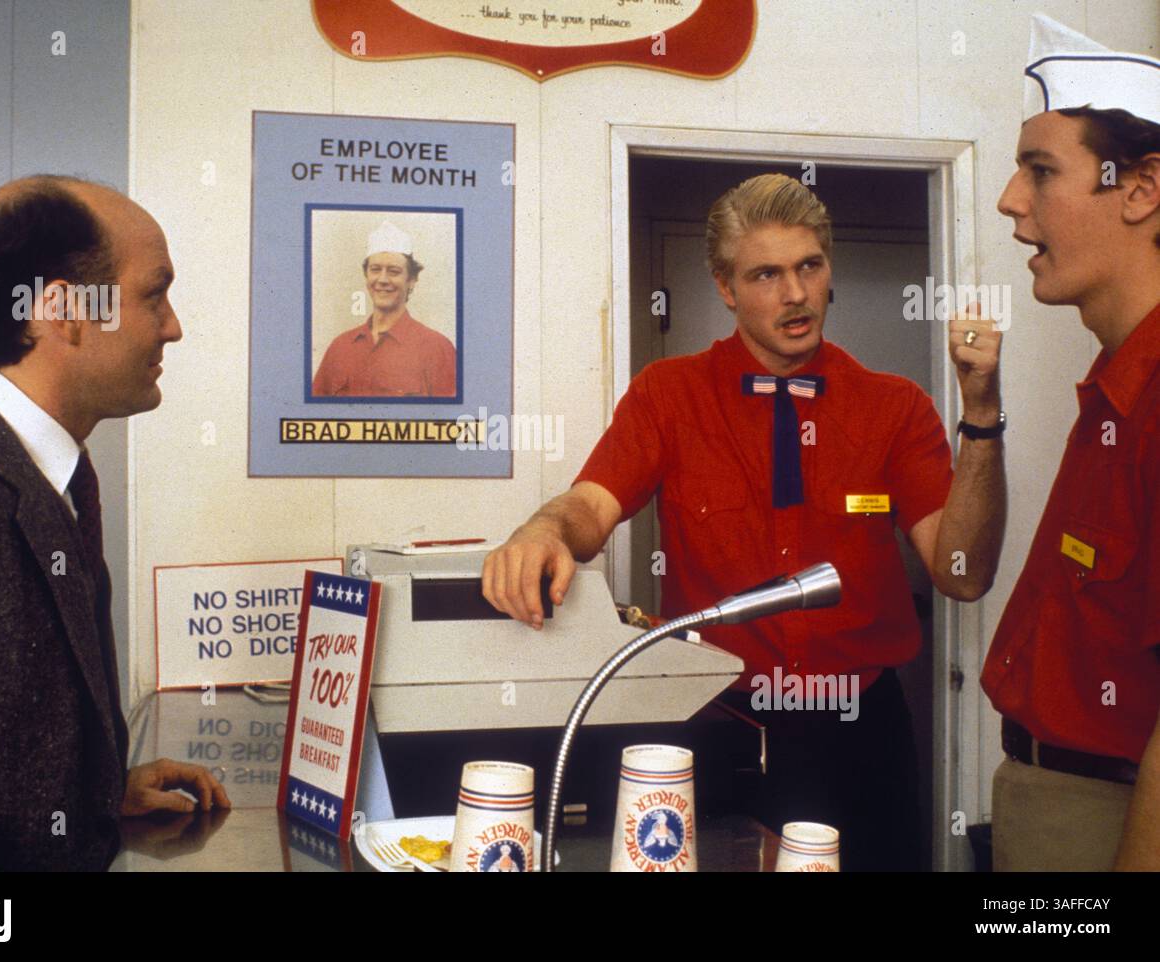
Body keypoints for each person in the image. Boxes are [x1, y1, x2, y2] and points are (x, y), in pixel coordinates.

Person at [483, 173, 1008, 871]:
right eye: (766, 274)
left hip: (861, 735)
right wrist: (540, 531)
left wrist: (980, 414)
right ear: (726, 288)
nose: (795, 294)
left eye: (809, 267)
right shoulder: (668, 397)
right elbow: (589, 506)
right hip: (721, 723)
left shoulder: (895, 407)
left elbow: (961, 574)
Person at [0, 175, 229, 871]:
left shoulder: (50, 473)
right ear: (63, 311)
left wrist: (94, 795)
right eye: (154, 294)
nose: (173, 325)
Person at [981, 15, 1160, 872]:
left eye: (1041, 170)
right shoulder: (1117, 385)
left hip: (1106, 822)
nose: (1013, 200)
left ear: (1139, 188)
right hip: (1046, 802)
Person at [311, 220, 457, 398]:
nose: (382, 279)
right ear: (366, 276)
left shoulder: (437, 349)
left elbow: (450, 420)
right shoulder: (340, 347)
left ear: (411, 280)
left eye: (394, 271)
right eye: (375, 269)